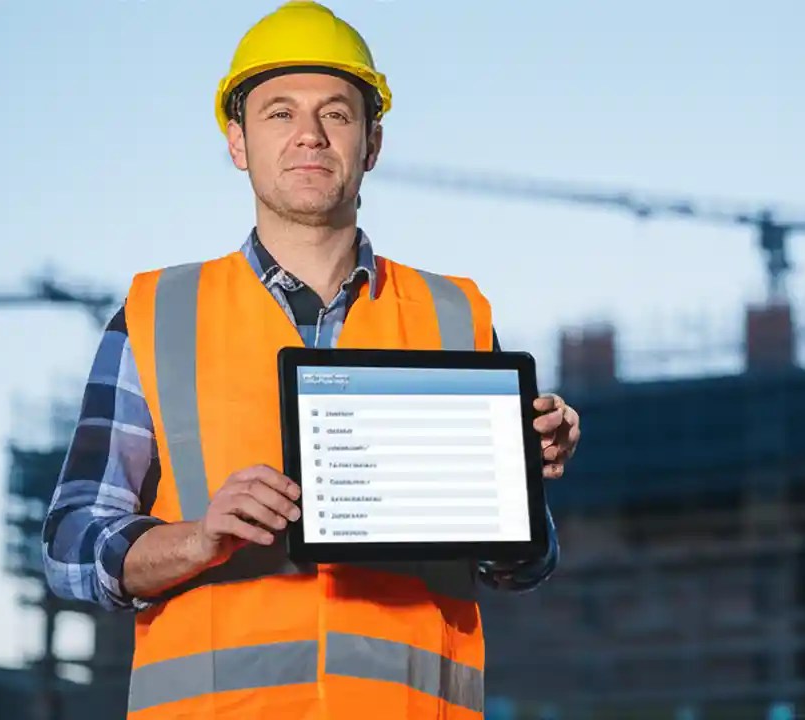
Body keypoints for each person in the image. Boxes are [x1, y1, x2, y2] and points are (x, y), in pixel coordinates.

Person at [40, 2, 581, 718]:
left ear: (372, 142)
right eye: (278, 113)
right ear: (237, 142)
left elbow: (522, 564)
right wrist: (201, 539)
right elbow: (73, 543)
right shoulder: (157, 316)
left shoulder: (456, 315)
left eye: (336, 113)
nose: (309, 136)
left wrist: (519, 484)